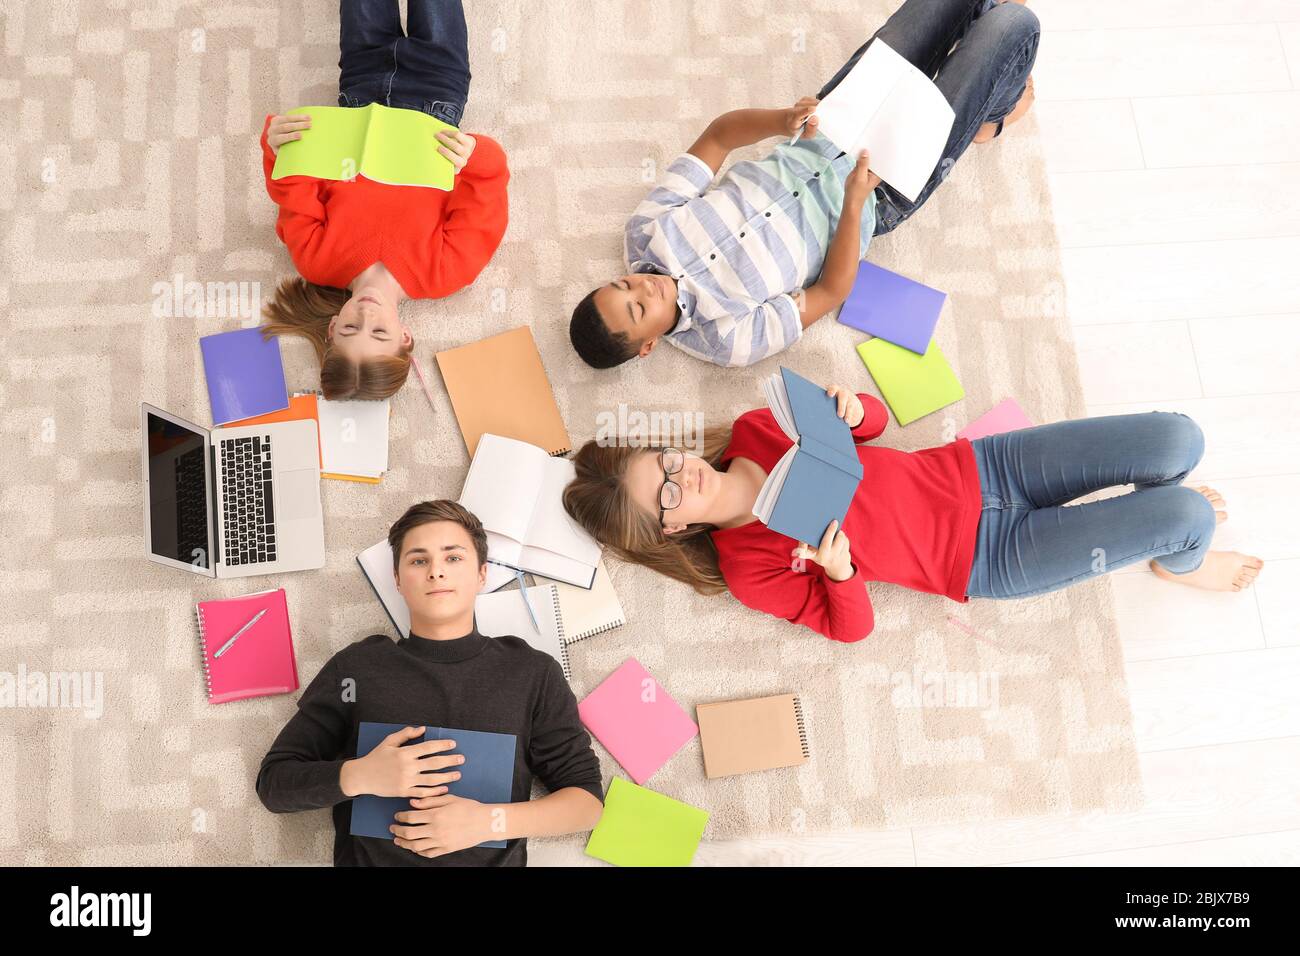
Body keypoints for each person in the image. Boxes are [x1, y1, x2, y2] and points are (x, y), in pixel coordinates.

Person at [561, 388, 1264, 643]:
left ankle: (1163, 525)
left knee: (1183, 440)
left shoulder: (756, 426)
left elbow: (875, 424)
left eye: (666, 459)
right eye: (667, 494)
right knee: (1187, 522)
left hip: (986, 467)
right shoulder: (749, 568)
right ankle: (1181, 565)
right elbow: (853, 631)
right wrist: (840, 572)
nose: (683, 472)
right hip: (992, 557)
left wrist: (851, 409)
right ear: (671, 530)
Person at [568, 0, 1039, 370]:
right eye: (636, 309)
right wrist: (854, 205)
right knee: (1012, 25)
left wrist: (783, 119)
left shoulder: (644, 231)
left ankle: (982, 112)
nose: (643, 288)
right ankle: (989, 115)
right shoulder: (727, 339)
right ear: (648, 345)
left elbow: (716, 139)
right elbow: (829, 294)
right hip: (881, 186)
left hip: (829, 123)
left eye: (623, 284)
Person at [256, 500, 604, 865]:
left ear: (482, 574)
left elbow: (586, 802)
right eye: (418, 560)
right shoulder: (358, 667)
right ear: (397, 579)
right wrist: (361, 775)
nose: (436, 571)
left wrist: (488, 821)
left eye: (453, 558)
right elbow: (274, 785)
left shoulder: (532, 673)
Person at [258, 0, 509, 399]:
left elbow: (293, 184)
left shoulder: (315, 260)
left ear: (332, 326)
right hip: (436, 92)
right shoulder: (445, 273)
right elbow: (489, 191)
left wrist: (277, 145)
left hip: (360, 86)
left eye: (350, 328)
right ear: (405, 337)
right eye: (380, 331)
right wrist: (474, 154)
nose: (366, 314)